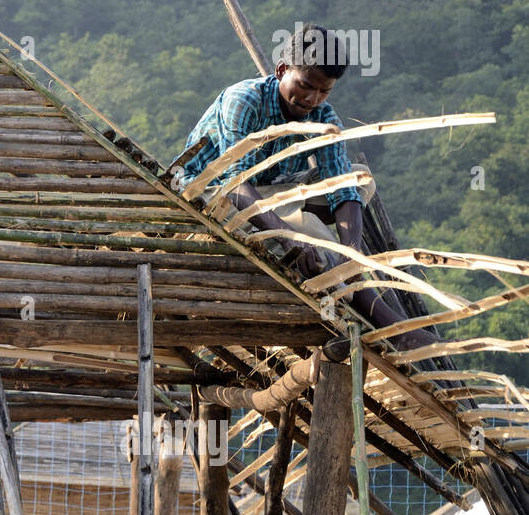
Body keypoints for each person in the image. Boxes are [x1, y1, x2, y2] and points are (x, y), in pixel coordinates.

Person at [177, 23, 434, 350]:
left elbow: (343, 186)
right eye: (305, 85)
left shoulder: (323, 116)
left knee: (359, 178)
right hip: (214, 195)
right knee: (304, 223)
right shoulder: (243, 101)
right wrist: (287, 238)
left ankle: (343, 269)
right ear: (283, 69)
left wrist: (352, 252)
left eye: (323, 91)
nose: (312, 98)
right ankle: (381, 317)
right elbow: (236, 180)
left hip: (273, 192)